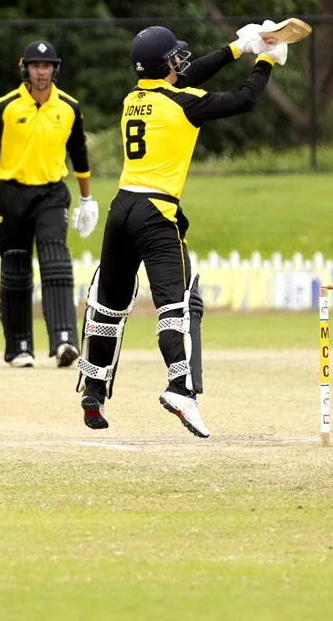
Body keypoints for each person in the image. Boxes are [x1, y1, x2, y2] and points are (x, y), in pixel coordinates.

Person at [76, 23, 286, 437]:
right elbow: (245, 100)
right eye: (173, 57)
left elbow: (182, 82)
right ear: (164, 64)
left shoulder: (132, 99)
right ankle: (179, 388)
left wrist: (236, 47)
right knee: (176, 303)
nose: (179, 61)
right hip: (156, 212)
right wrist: (263, 60)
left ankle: (93, 391)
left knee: (110, 306)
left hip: (121, 209)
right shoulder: (184, 103)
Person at [0, 40, 99, 368]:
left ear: (55, 69)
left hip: (52, 193)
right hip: (12, 194)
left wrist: (86, 199)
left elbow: (79, 154)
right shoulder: (7, 105)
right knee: (16, 268)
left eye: (47, 66)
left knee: (56, 261)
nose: (42, 72)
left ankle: (64, 341)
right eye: (36, 66)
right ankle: (19, 345)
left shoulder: (69, 107)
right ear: (26, 69)